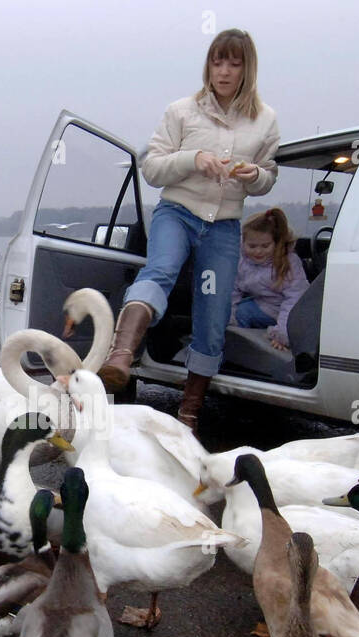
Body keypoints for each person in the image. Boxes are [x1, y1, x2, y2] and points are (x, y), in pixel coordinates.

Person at [98, 28, 280, 432]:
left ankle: (189, 415)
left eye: (234, 63)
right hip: (177, 213)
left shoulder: (265, 119)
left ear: (247, 67)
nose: (225, 71)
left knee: (214, 312)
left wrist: (254, 175)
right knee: (160, 271)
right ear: (208, 65)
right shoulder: (182, 111)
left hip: (223, 228)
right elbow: (152, 168)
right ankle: (121, 357)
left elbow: (268, 176)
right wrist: (193, 159)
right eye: (218, 61)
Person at [230, 207, 309, 351]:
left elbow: (295, 300)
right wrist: (225, 316)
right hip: (261, 302)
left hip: (284, 311)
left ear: (277, 242)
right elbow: (232, 289)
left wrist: (283, 334)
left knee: (243, 313)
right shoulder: (242, 260)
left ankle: (238, 350)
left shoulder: (288, 264)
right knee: (232, 313)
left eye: (265, 246)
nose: (258, 251)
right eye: (252, 246)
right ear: (243, 242)